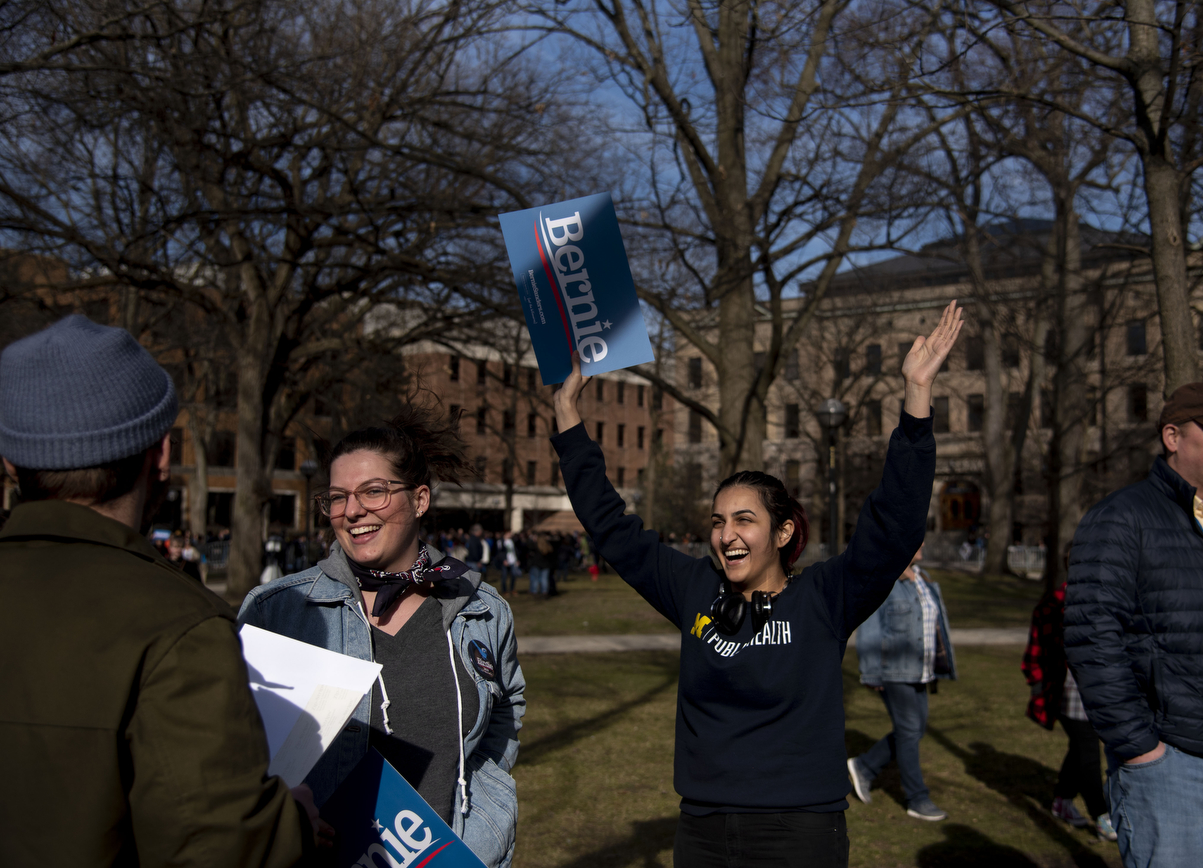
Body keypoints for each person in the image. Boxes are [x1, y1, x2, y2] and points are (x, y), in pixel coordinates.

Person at [550, 301, 962, 866]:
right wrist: (567, 411)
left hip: (800, 833)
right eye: (718, 522)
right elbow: (610, 527)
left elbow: (893, 528)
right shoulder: (693, 588)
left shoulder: (823, 598)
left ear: (783, 530)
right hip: (702, 830)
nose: (727, 535)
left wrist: (916, 397)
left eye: (745, 520)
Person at [0, 314, 322, 866]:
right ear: (162, 456)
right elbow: (222, 849)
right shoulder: (179, 624)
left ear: (10, 464)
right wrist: (295, 824)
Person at [238, 406, 525, 868]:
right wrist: (279, 818)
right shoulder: (279, 611)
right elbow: (231, 747)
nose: (352, 511)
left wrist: (485, 819)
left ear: (420, 500)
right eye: (337, 497)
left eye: (374, 491)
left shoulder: (483, 609)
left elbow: (506, 714)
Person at [1065, 380, 1203, 868]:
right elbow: (1092, 641)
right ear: (1172, 437)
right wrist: (1142, 750)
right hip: (1171, 773)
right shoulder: (1121, 520)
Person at [847, 544, 956, 821]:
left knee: (914, 730)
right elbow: (869, 628)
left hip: (921, 670)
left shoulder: (923, 578)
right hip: (893, 670)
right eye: (916, 541)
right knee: (909, 730)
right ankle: (917, 797)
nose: (923, 545)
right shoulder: (885, 581)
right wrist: (871, 672)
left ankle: (865, 767)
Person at [1021, 553, 1116, 842]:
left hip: (1101, 691)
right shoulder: (1057, 602)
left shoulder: (1106, 598)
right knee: (1088, 753)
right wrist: (1037, 685)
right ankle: (1102, 815)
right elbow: (1036, 649)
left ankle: (1062, 800)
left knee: (1079, 750)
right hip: (1071, 693)